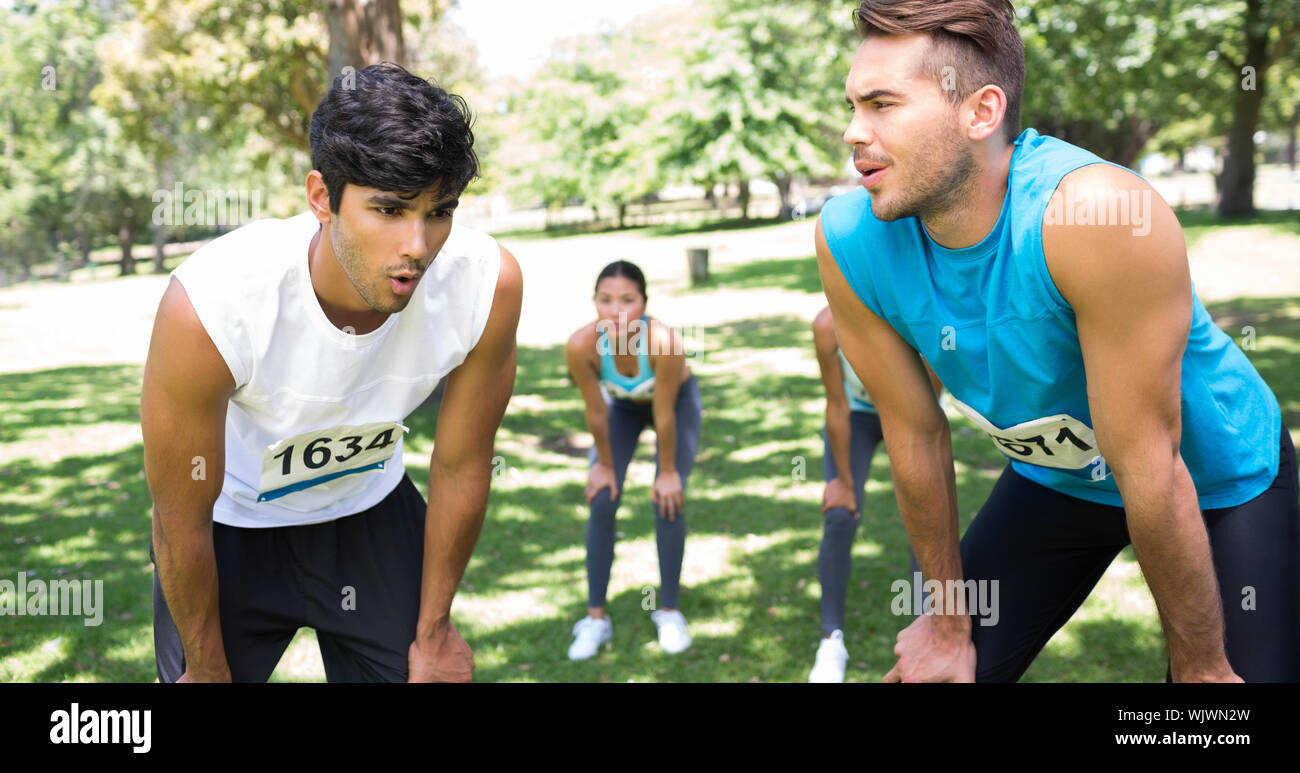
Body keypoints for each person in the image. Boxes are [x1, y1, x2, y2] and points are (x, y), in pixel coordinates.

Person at [817, 0, 1299, 682]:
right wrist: (948, 622)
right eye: (852, 104)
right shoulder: (848, 237)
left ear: (980, 112)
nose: (851, 131)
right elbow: (915, 432)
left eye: (881, 105)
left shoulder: (1094, 215)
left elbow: (1153, 468)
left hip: (1214, 472)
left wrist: (1197, 669)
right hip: (1064, 475)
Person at [141, 63, 522, 683]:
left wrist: (435, 632)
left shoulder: (487, 284)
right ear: (322, 198)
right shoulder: (211, 304)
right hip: (232, 528)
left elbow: (461, 463)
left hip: (372, 515)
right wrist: (206, 667)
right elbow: (178, 516)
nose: (419, 245)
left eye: (440, 210)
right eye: (390, 209)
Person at [563, 260, 702, 660]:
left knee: (667, 500)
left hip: (674, 406)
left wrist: (669, 471)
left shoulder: (664, 342)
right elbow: (595, 411)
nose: (616, 310)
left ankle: (670, 611)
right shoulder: (581, 346)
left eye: (628, 299)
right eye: (605, 300)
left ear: (644, 302)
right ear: (594, 303)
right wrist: (604, 466)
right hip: (620, 410)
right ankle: (594, 619)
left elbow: (665, 415)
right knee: (602, 498)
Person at [808, 305, 942, 682]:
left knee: (927, 519)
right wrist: (843, 482)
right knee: (838, 516)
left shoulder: (919, 314)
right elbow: (835, 405)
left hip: (911, 412)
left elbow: (927, 405)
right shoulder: (827, 326)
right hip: (856, 417)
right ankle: (830, 640)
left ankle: (929, 633)